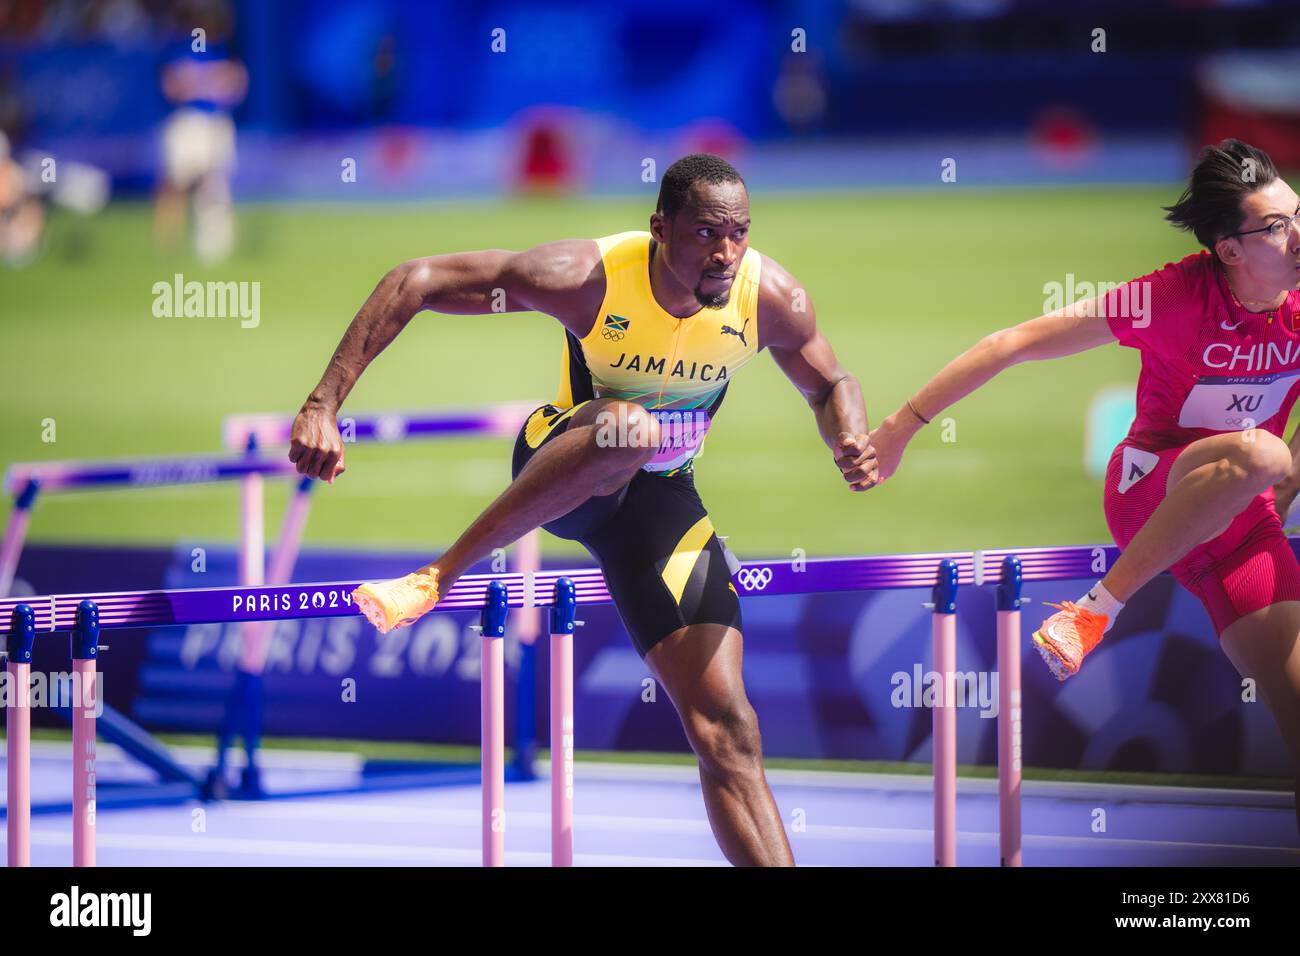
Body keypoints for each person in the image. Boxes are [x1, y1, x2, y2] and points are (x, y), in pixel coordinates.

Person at [288, 154, 880, 865]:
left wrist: (847, 431)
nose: (725, 253)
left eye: (739, 234)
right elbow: (414, 280)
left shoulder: (770, 298)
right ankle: (440, 575)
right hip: (567, 464)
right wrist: (323, 404)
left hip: (661, 502)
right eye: (704, 235)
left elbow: (830, 381)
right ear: (660, 228)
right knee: (629, 428)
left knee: (729, 729)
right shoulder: (588, 278)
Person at [870, 140, 1300, 833]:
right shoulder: (1170, 298)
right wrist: (902, 425)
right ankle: (1094, 612)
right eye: (1276, 226)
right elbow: (1015, 341)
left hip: (1240, 523)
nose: (1298, 234)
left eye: (1297, 213)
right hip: (1150, 490)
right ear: (1229, 249)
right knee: (1261, 452)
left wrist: (1277, 495)